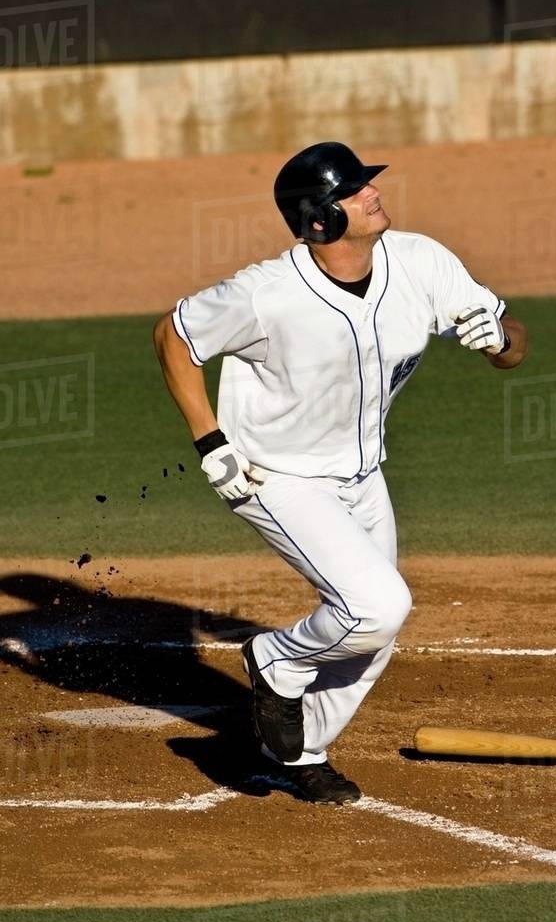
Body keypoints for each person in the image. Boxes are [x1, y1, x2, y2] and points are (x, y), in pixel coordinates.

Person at [153, 141, 527, 804]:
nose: (372, 193)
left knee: (371, 637)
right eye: (352, 190)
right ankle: (275, 659)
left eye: (366, 183)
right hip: (275, 475)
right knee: (377, 606)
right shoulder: (267, 294)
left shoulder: (421, 262)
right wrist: (211, 441)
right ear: (321, 219)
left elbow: (515, 347)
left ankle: (297, 752)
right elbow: (173, 337)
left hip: (363, 476)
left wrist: (498, 341)